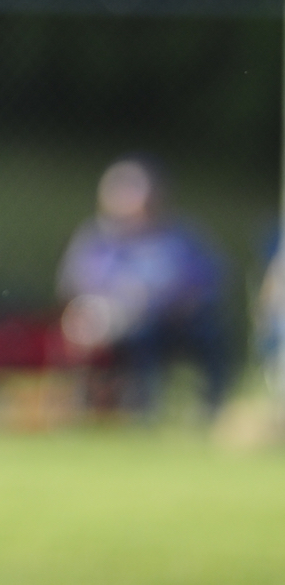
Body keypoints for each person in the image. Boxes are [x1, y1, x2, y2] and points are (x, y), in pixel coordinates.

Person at [56, 155, 228, 419]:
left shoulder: (181, 237)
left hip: (177, 321)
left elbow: (208, 281)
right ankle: (140, 413)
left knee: (214, 334)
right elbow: (74, 288)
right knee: (139, 335)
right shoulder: (96, 240)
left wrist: (184, 302)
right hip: (114, 324)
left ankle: (211, 411)